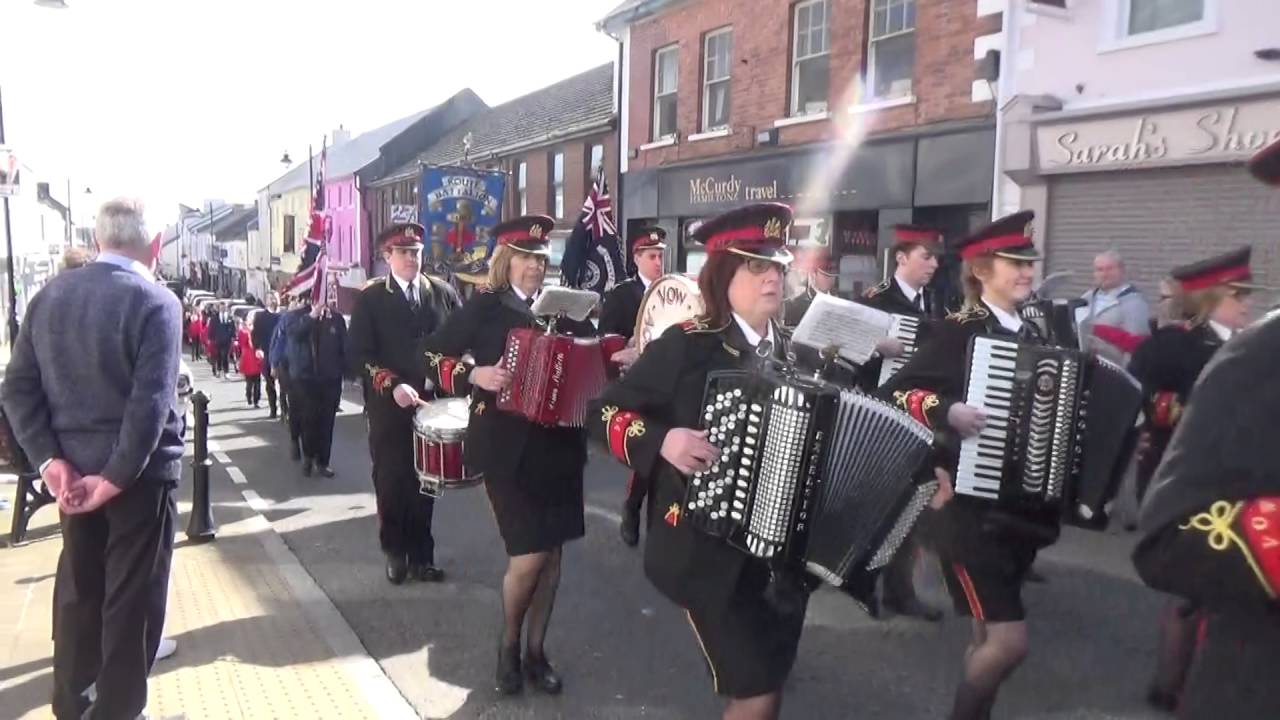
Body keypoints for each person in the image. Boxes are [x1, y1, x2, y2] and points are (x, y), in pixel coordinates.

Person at [585, 203, 811, 719]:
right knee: (757, 693)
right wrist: (661, 440)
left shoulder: (794, 355)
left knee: (763, 682)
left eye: (778, 265)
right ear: (722, 274)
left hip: (773, 560)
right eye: (758, 265)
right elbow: (604, 413)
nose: (773, 276)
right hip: (701, 551)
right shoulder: (686, 347)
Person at [2, 198, 184, 720]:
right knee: (133, 604)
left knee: (81, 593)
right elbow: (148, 406)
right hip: (140, 482)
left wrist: (49, 462)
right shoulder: (156, 303)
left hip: (72, 481)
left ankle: (72, 704)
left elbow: (17, 389)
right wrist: (115, 477)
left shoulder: (48, 297)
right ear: (153, 246)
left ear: (99, 239)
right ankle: (121, 711)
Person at [878, 210, 1054, 720]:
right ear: (980, 270)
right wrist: (945, 412)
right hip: (966, 510)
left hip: (1017, 509)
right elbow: (897, 394)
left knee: (986, 633)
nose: (1026, 271)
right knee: (1008, 641)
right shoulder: (959, 332)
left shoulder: (1037, 329)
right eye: (1013, 262)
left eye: (1029, 262)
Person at [1131, 161, 1279, 720]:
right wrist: (1176, 410)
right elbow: (1140, 394)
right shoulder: (1221, 350)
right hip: (1178, 470)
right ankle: (1166, 683)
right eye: (1236, 295)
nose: (1245, 303)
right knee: (1187, 606)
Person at [422, 215, 593, 696]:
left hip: (559, 450)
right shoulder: (485, 309)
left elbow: (590, 358)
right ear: (506, 261)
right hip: (505, 451)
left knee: (553, 559)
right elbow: (431, 354)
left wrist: (614, 355)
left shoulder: (565, 309)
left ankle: (537, 653)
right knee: (529, 557)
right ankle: (509, 645)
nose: (535, 267)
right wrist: (473, 376)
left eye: (541, 259)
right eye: (526, 258)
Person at [349, 222, 462, 585]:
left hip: (431, 404)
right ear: (387, 257)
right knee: (392, 480)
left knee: (427, 482)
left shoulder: (442, 293)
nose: (412, 258)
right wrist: (392, 383)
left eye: (416, 252)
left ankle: (422, 556)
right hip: (389, 406)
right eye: (404, 252)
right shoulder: (371, 299)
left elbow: (460, 342)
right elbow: (359, 356)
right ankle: (395, 552)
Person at [857, 224, 944, 621]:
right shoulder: (876, 300)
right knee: (878, 507)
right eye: (925, 256)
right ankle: (863, 583)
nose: (933, 264)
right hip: (883, 413)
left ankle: (899, 590)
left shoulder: (937, 301)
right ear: (901, 258)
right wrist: (876, 347)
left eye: (935, 258)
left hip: (922, 415)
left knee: (914, 508)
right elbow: (842, 355)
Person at [598, 226, 667, 547]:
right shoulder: (621, 294)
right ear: (637, 258)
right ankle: (632, 507)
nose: (658, 262)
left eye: (661, 255)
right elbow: (606, 341)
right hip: (635, 383)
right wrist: (625, 346)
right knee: (650, 448)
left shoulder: (672, 292)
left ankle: (650, 516)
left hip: (667, 381)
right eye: (652, 256)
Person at [289, 298, 347, 478]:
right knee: (309, 421)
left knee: (326, 423)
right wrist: (312, 316)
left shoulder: (337, 319)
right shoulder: (300, 316)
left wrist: (347, 373)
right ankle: (308, 456)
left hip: (331, 380)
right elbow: (295, 334)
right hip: (308, 380)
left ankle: (323, 462)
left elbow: (345, 347)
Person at [1080, 249, 1151, 363]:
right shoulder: (1086, 298)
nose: (1104, 274)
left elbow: (1137, 347)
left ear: (1121, 271)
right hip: (1088, 366)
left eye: (1109, 269)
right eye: (1100, 270)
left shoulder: (1134, 303)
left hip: (1114, 369)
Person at [271, 296, 308, 461]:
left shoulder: (313, 318)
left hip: (309, 371)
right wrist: (274, 363)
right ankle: (295, 440)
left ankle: (307, 447)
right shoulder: (286, 320)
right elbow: (277, 342)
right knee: (295, 407)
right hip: (289, 368)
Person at [780, 243, 840, 328]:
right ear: (813, 274)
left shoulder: (839, 301)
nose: (830, 279)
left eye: (833, 276)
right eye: (825, 276)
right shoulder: (794, 305)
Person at [251, 292, 284, 418]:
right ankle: (273, 408)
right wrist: (257, 348)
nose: (274, 301)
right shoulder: (261, 317)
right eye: (271, 299)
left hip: (282, 354)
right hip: (267, 353)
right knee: (270, 383)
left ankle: (284, 409)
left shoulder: (284, 315)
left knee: (284, 384)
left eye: (275, 298)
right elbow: (255, 334)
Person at [237, 318, 262, 408]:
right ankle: (255, 399)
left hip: (248, 357)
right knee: (255, 381)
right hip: (254, 357)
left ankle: (250, 397)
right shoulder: (252, 333)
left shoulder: (243, 333)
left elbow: (240, 344)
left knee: (250, 381)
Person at [210, 302, 235, 377]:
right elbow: (212, 328)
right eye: (221, 307)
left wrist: (232, 336)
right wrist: (211, 338)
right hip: (218, 339)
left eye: (223, 307)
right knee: (219, 355)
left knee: (225, 355)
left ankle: (226, 371)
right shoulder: (215, 317)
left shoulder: (229, 317)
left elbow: (233, 327)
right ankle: (219, 369)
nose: (222, 309)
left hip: (227, 340)